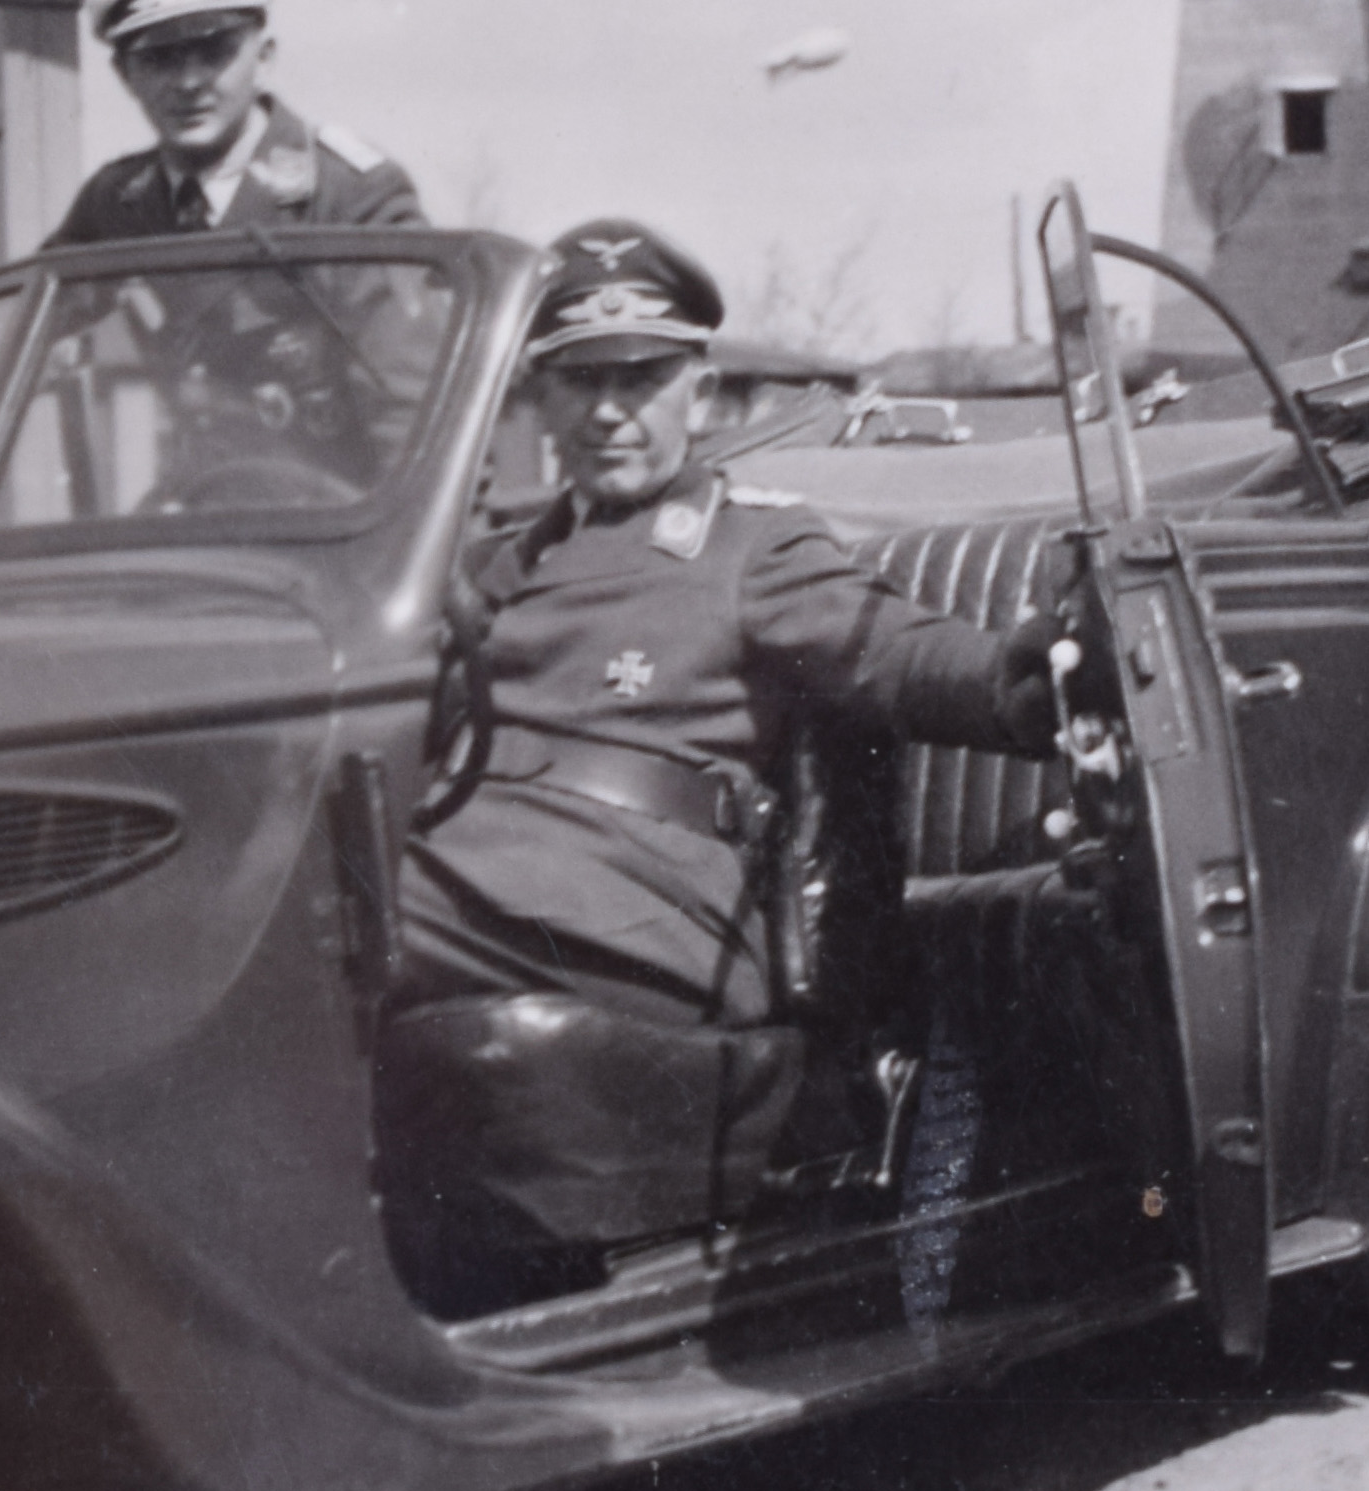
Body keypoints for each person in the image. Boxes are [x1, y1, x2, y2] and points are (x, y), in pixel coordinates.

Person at [395, 220, 1059, 1033]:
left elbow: (889, 647)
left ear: (699, 395)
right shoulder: (487, 565)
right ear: (539, 397)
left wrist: (1023, 674)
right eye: (579, 379)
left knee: (337, 916)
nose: (607, 411)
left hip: (639, 907)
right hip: (475, 871)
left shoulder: (751, 545)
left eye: (639, 379)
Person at [45, 0, 424, 245]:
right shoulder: (110, 207)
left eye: (214, 53)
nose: (189, 82)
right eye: (160, 59)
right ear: (125, 75)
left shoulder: (351, 195)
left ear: (263, 59)